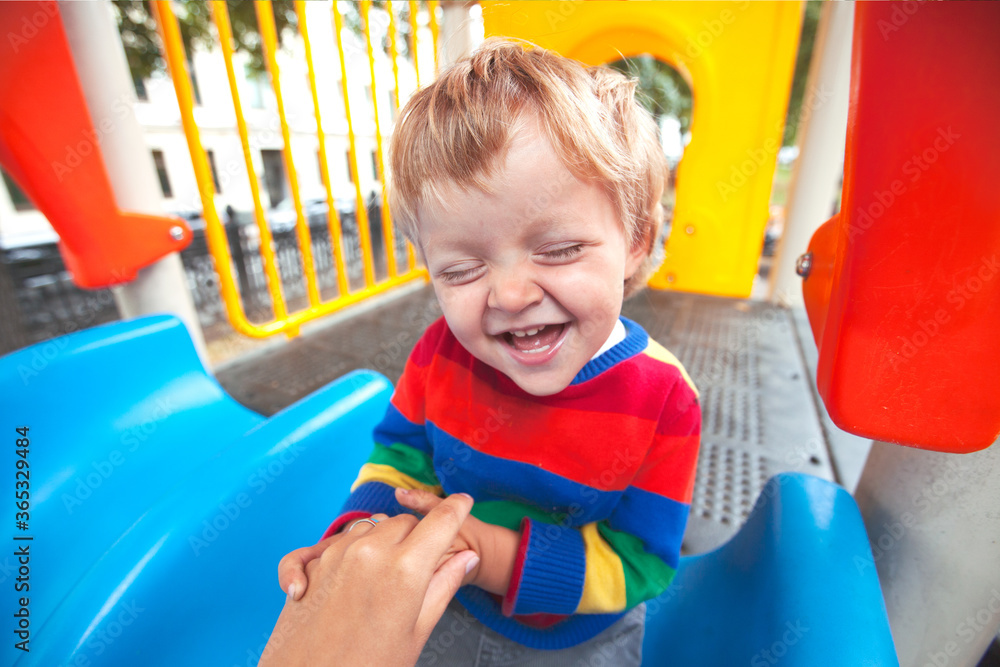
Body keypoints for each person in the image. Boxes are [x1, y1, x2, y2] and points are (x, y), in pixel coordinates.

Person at [279, 38, 701, 665]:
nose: (508, 293)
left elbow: (641, 562)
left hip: (576, 636)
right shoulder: (440, 353)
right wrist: (357, 540)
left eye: (558, 249)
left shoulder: (664, 398)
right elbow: (402, 455)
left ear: (636, 242)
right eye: (461, 268)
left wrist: (489, 554)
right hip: (445, 598)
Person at [260, 494, 480, 666]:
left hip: (489, 628)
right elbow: (403, 450)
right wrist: (360, 529)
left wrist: (486, 554)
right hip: (404, 607)